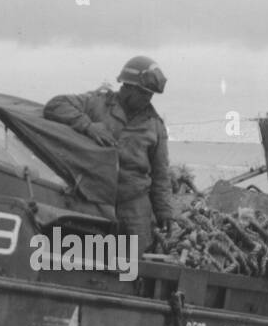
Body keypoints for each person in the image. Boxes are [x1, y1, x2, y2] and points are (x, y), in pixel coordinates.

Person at [44, 56, 173, 253]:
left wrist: (164, 211)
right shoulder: (96, 104)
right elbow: (55, 105)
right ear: (128, 86)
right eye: (144, 93)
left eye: (151, 94)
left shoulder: (155, 125)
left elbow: (160, 174)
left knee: (135, 263)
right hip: (93, 198)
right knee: (83, 257)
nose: (148, 99)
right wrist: (88, 126)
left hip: (134, 204)